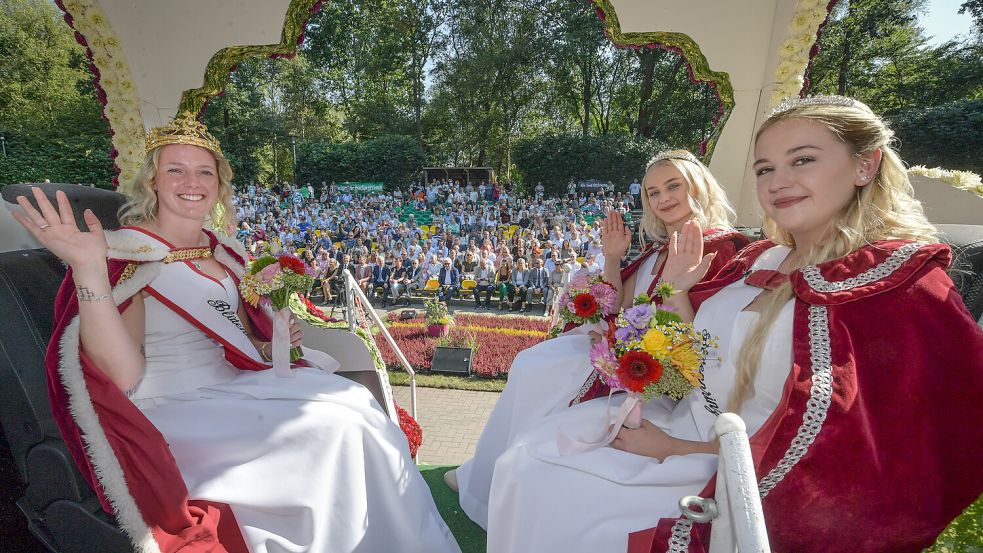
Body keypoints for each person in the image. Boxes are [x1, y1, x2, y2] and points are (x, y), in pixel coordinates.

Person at [484, 96, 983, 553]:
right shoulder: (763, 257)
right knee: (524, 460)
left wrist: (674, 447)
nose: (778, 181)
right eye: (765, 169)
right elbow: (700, 352)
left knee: (539, 483)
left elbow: (841, 459)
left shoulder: (894, 283)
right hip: (687, 421)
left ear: (865, 164)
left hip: (732, 470)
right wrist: (676, 291)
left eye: (802, 160)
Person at [14, 113, 460, 552]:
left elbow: (242, 340)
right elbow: (124, 377)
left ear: (218, 183)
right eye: (176, 170)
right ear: (153, 181)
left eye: (204, 171)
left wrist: (270, 343)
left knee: (356, 400)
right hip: (173, 404)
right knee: (332, 428)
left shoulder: (221, 251)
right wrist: (88, 270)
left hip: (231, 385)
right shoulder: (129, 255)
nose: (192, 181)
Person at [447, 149, 748, 529]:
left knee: (539, 370)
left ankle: (489, 481)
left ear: (699, 187)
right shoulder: (658, 247)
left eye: (673, 186)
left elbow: (702, 338)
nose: (663, 198)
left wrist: (628, 336)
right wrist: (612, 258)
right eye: (653, 192)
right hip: (623, 347)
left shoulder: (721, 248)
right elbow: (619, 305)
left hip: (656, 373)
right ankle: (484, 473)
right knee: (531, 363)